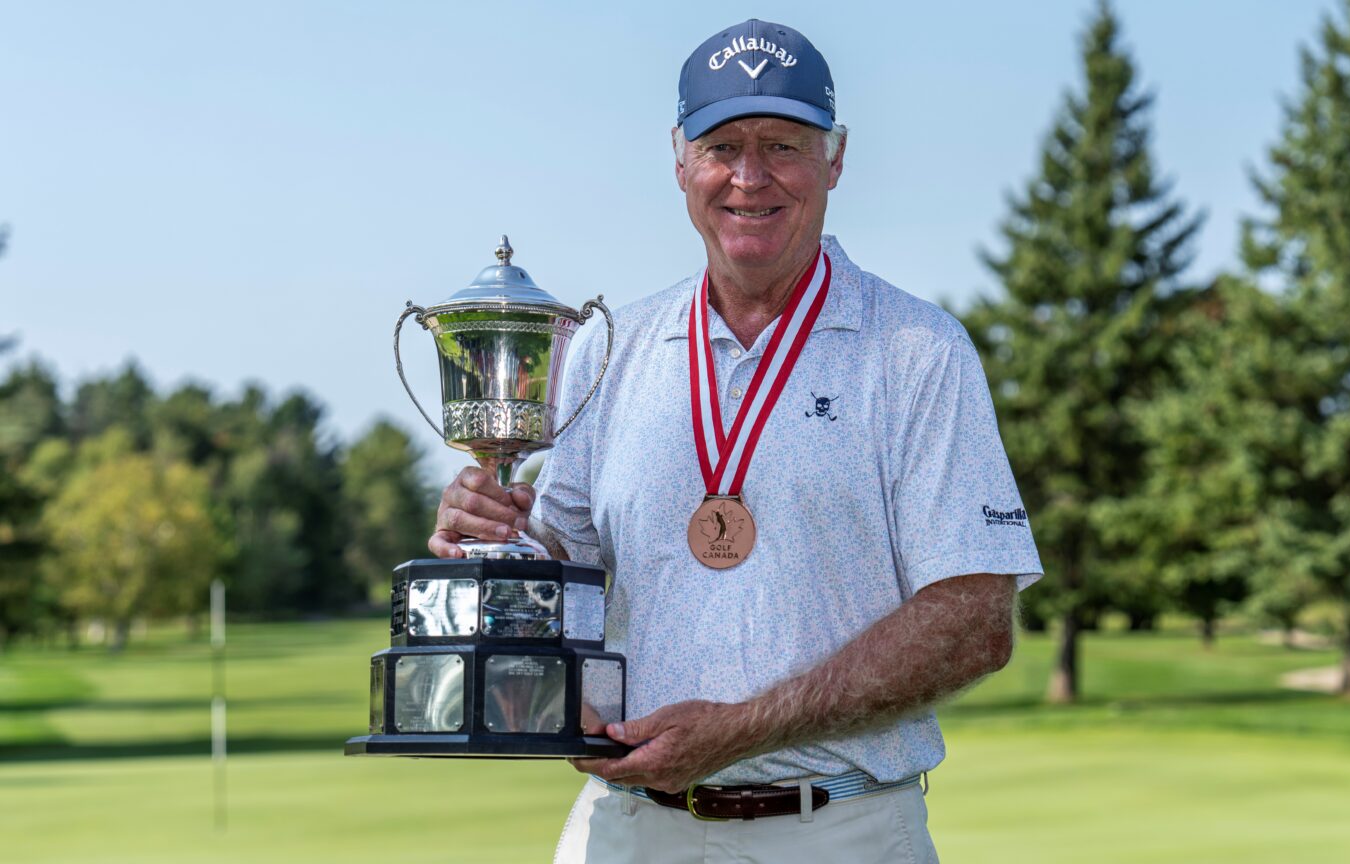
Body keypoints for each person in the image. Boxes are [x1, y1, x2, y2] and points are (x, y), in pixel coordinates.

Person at [430, 19, 1043, 863]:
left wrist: (744, 729)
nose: (749, 178)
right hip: (628, 826)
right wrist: (493, 543)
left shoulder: (918, 350)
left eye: (783, 144)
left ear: (835, 158)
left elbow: (976, 621)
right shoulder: (611, 347)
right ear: (680, 160)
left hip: (842, 830)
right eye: (722, 146)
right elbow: (565, 569)